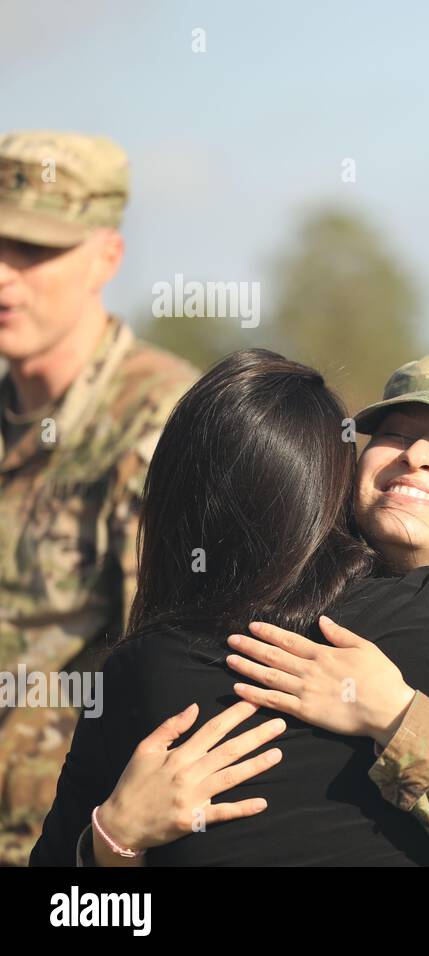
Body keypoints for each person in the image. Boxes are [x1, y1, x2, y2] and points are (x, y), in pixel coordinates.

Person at [30, 349, 429, 866]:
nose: (421, 456)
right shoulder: (242, 624)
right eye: (396, 435)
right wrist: (114, 840)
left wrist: (402, 722)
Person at [0, 131, 197, 865]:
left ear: (106, 259)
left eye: (34, 250)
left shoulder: (164, 425)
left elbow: (173, 683)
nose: (3, 277)